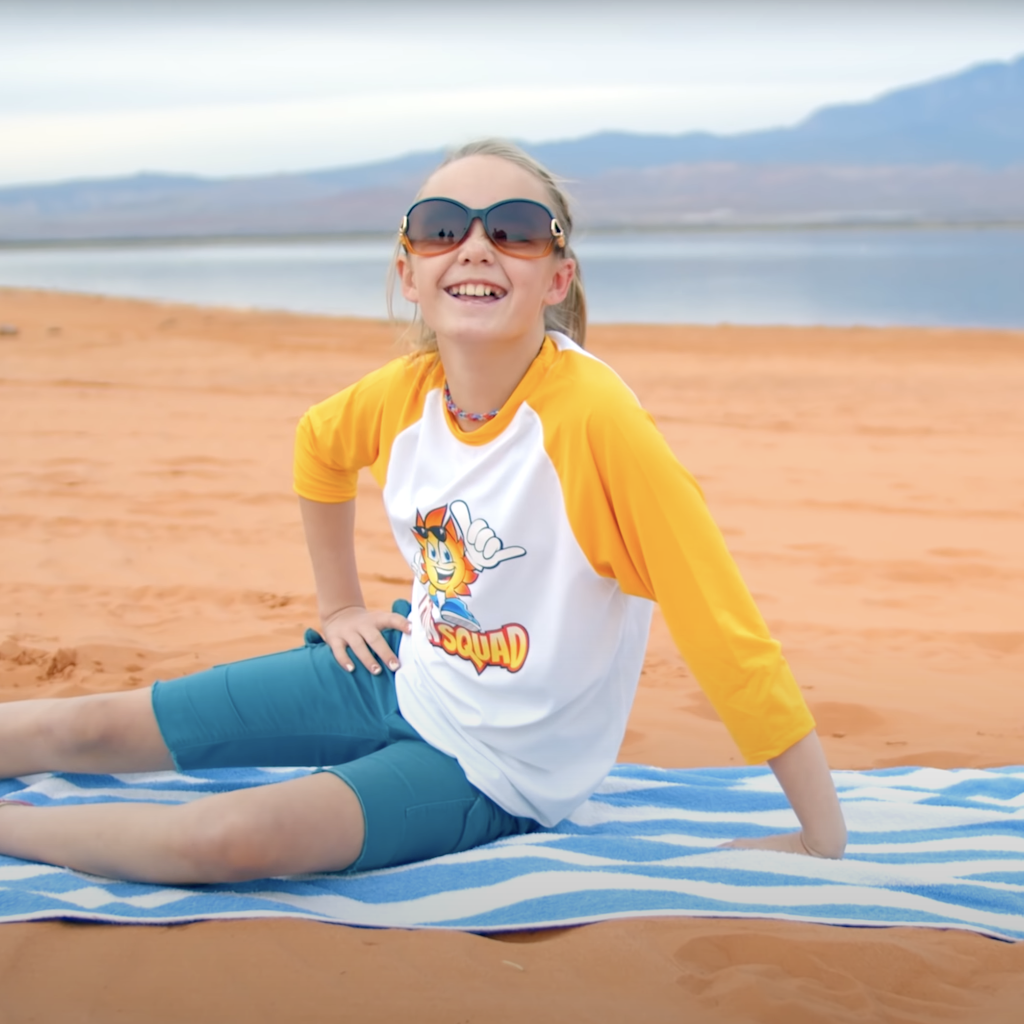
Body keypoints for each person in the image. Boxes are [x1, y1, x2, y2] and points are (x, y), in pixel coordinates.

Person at [0, 140, 847, 883]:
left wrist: (822, 835)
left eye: (514, 229)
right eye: (443, 227)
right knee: (90, 726)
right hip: (403, 672)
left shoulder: (595, 427)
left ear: (557, 277)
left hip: (492, 770)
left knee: (222, 838)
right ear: (410, 272)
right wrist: (339, 607)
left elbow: (721, 627)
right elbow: (318, 445)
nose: (476, 245)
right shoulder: (406, 395)